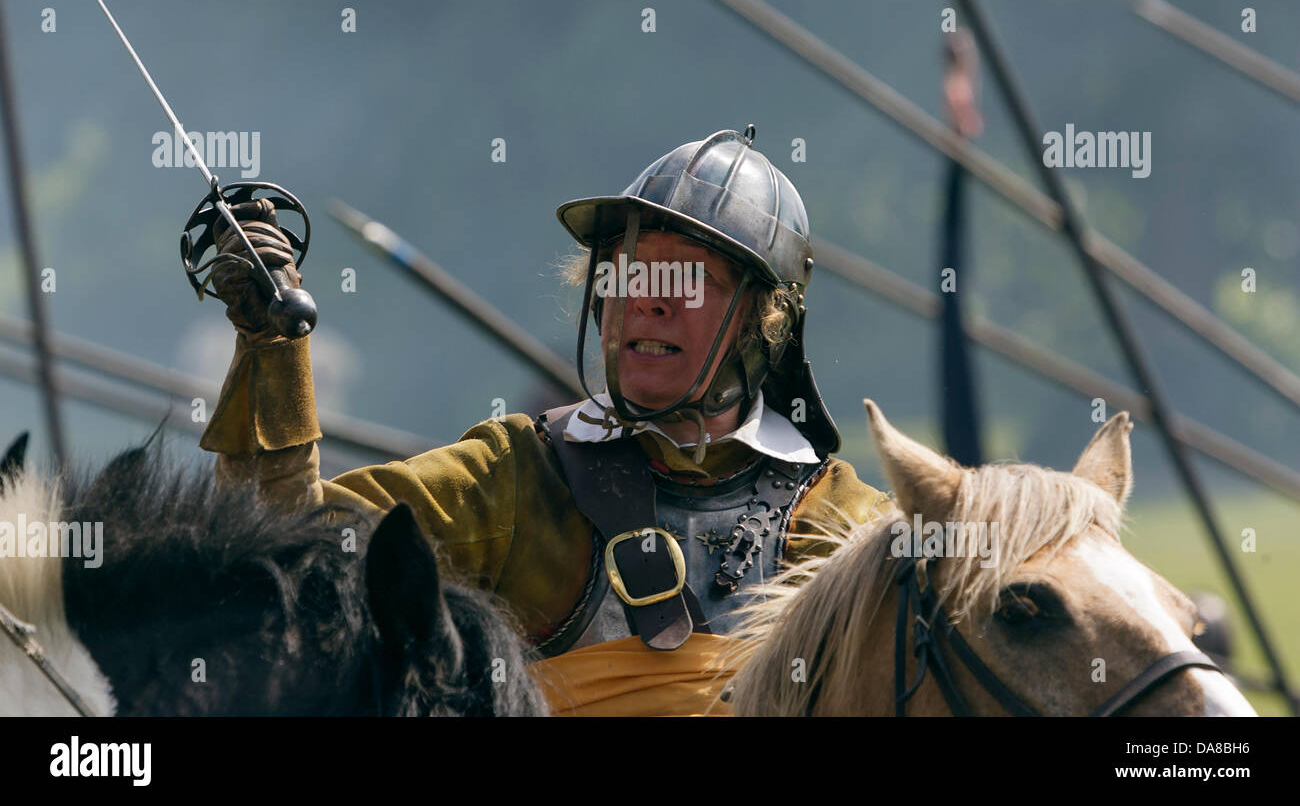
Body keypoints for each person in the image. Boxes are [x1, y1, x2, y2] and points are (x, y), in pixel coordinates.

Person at [199, 125, 889, 714]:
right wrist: (273, 349)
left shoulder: (852, 528)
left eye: (689, 280)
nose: (650, 301)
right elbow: (284, 561)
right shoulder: (514, 475)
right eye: (629, 274)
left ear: (763, 324)